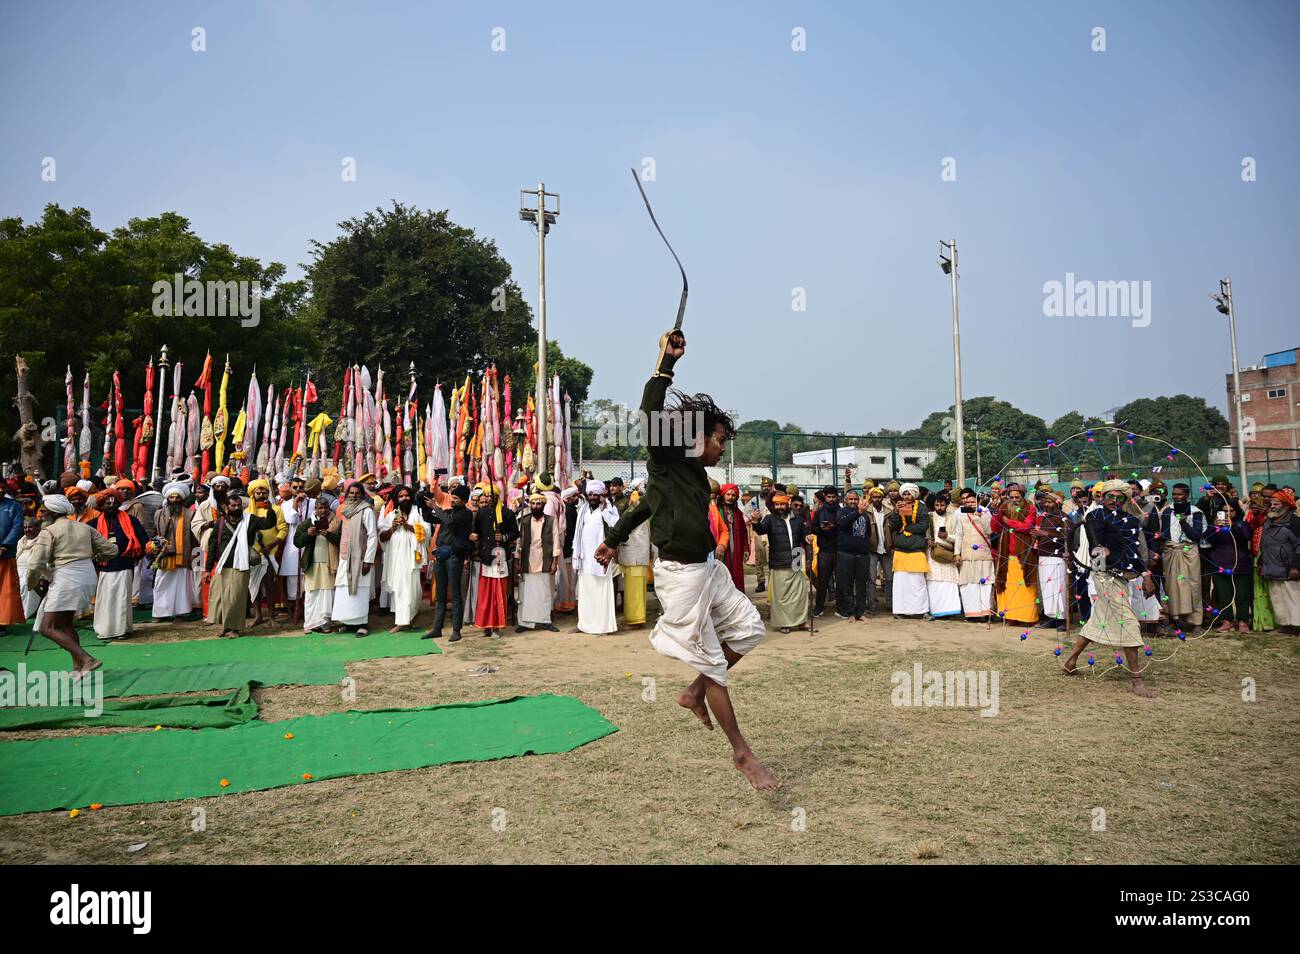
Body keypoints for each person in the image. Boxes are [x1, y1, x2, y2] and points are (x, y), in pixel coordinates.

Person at [597, 330, 777, 790]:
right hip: (681, 578)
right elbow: (650, 415)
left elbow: (644, 507)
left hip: (710, 571)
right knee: (715, 660)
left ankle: (694, 691)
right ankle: (742, 753)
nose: (722, 448)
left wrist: (615, 538)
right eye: (718, 440)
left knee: (751, 630)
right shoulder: (665, 458)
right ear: (696, 438)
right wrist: (666, 361)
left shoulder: (696, 478)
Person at [1060, 481, 1155, 697]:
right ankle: (1136, 679)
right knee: (1129, 622)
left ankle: (1070, 661)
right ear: (1102, 497)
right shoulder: (1095, 516)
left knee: (1098, 619)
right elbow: (1095, 546)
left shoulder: (1131, 520)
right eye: (1109, 497)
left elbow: (1134, 550)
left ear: (1124, 499)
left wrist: (1145, 574)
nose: (1113, 501)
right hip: (1103, 575)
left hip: (1124, 576)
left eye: (1119, 497)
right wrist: (1102, 552)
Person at [25, 495, 119, 672]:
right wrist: (97, 557)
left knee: (47, 627)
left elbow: (36, 563)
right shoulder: (84, 527)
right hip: (88, 576)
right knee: (65, 624)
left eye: (44, 510)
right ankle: (78, 666)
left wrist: (33, 583)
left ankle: (87, 659)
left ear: (53, 512)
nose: (42, 513)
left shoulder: (48, 531)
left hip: (66, 579)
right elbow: (112, 550)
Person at [206, 494, 280, 638]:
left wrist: (270, 510)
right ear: (226, 507)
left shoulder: (250, 520)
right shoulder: (220, 523)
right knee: (222, 598)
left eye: (239, 505)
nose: (237, 508)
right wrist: (208, 569)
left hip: (241, 564)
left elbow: (268, 524)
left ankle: (235, 629)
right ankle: (226, 627)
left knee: (236, 598)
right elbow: (212, 545)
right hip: (224, 564)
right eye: (233, 506)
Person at [751, 493, 813, 633]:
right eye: (777, 504)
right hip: (779, 560)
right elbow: (761, 530)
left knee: (800, 594)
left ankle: (801, 622)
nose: (779, 507)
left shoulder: (798, 518)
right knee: (781, 596)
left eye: (782, 504)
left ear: (787, 504)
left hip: (796, 558)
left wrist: (807, 537)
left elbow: (804, 536)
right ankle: (784, 623)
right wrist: (755, 522)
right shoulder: (769, 519)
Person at [91, 488, 147, 639]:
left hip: (124, 564)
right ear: (101, 505)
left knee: (122, 599)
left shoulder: (131, 521)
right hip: (104, 567)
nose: (111, 506)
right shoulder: (93, 523)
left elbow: (144, 540)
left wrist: (147, 550)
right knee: (106, 599)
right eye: (107, 503)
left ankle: (122, 630)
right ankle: (105, 629)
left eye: (114, 503)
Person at [422, 483, 473, 642]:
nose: (452, 500)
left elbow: (449, 521)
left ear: (464, 501)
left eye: (456, 498)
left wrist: (435, 507)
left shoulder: (466, 514)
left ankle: (456, 630)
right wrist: (425, 505)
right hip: (441, 555)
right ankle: (437, 628)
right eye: (452, 497)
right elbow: (429, 517)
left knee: (456, 594)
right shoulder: (448, 512)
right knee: (440, 595)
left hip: (454, 557)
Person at [378, 485, 429, 632]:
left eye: (406, 495)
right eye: (401, 496)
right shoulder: (391, 515)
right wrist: (392, 528)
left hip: (412, 559)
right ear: (396, 499)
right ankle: (401, 621)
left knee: (414, 590)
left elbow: (426, 531)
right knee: (399, 588)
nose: (404, 498)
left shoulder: (417, 512)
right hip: (396, 559)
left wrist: (408, 526)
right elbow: (382, 537)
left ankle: (410, 618)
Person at [332, 481, 379, 637]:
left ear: (362, 495)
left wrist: (368, 560)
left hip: (360, 557)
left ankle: (362, 624)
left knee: (360, 591)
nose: (353, 496)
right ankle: (349, 623)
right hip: (345, 556)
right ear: (347, 495)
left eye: (357, 493)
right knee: (344, 589)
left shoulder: (366, 510)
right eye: (351, 493)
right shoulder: (345, 510)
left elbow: (372, 536)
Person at [573, 480, 619, 635]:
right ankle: (584, 624)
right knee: (586, 591)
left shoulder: (608, 508)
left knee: (601, 592)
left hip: (601, 558)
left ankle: (602, 626)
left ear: (601, 495)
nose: (592, 497)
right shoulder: (584, 509)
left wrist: (604, 509)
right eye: (590, 494)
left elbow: (615, 523)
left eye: (595, 494)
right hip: (585, 558)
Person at [473, 486, 518, 638]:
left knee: (498, 592)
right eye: (486, 495)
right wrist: (474, 536)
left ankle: (497, 627)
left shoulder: (507, 514)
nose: (488, 498)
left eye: (491, 495)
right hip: (486, 556)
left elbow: (515, 533)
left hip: (500, 556)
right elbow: (478, 532)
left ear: (497, 496)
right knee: (486, 593)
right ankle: (486, 625)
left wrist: (504, 537)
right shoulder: (482, 513)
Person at [992, 484, 1040, 625]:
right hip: (1007, 555)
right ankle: (1011, 617)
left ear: (1022, 496)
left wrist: (1008, 521)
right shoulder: (1004, 508)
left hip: (1025, 555)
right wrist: (997, 512)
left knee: (1027, 587)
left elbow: (1027, 527)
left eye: (1017, 497)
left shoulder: (1030, 507)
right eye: (1011, 497)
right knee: (1009, 587)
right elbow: (994, 527)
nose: (1014, 500)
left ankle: (1028, 618)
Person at [516, 492, 563, 632]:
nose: (535, 506)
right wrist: (518, 559)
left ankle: (545, 621)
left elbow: (556, 543)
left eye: (538, 504)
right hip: (528, 560)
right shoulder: (524, 521)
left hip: (545, 560)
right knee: (526, 593)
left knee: (545, 593)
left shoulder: (551, 520)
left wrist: (555, 562)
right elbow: (519, 541)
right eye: (533, 503)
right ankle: (524, 623)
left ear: (543, 505)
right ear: (530, 505)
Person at [294, 493, 340, 633]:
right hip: (312, 564)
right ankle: (310, 624)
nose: (323, 510)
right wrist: (308, 534)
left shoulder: (336, 522)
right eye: (320, 508)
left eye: (325, 507)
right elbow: (297, 542)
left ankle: (325, 624)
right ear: (315, 509)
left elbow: (340, 541)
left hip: (328, 564)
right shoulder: (307, 523)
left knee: (327, 593)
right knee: (312, 594)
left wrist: (328, 535)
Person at [151, 482, 196, 622]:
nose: (174, 500)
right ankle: (160, 613)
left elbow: (194, 537)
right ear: (167, 499)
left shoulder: (190, 514)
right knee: (161, 583)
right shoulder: (159, 514)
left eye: (177, 497)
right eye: (172, 497)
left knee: (182, 586)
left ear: (182, 499)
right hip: (164, 555)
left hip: (184, 555)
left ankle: (180, 614)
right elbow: (155, 532)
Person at [1258, 488, 1300, 634]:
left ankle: (1297, 627)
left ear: (1286, 505)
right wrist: (1261, 563)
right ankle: (1285, 626)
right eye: (1272, 504)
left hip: (1289, 569)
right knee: (1277, 598)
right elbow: (1265, 544)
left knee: (1294, 597)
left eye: (1276, 504)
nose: (1272, 506)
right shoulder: (1269, 521)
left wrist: (1296, 567)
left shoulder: (1295, 523)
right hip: (1271, 567)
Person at [886, 483, 930, 618]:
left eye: (908, 494)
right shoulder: (898, 507)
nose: (906, 496)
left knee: (918, 583)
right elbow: (894, 526)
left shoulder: (922, 507)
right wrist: (896, 512)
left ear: (914, 494)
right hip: (901, 550)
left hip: (916, 550)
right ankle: (900, 611)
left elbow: (923, 525)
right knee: (901, 584)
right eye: (904, 494)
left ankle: (922, 611)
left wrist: (906, 529)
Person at [1033, 491, 1072, 630]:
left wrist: (1045, 533)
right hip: (1043, 557)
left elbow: (1068, 536)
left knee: (1058, 589)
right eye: (1045, 502)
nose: (1046, 504)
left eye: (1049, 502)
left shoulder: (1065, 518)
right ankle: (1051, 618)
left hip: (1057, 559)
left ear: (1058, 503)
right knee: (1047, 590)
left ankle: (1062, 619)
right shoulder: (1045, 517)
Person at [616, 479, 652, 629]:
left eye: (633, 501)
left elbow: (627, 532)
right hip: (634, 558)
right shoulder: (639, 518)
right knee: (632, 590)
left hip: (636, 558)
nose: (631, 504)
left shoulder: (637, 518)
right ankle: (633, 618)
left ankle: (636, 621)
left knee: (635, 591)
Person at [834, 489, 874, 621]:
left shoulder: (865, 515)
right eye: (850, 499)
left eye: (855, 499)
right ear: (845, 500)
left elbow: (868, 533)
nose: (853, 501)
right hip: (846, 554)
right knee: (847, 585)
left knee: (862, 584)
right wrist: (858, 512)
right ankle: (850, 612)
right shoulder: (841, 512)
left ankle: (860, 612)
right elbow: (841, 523)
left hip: (862, 555)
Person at [925, 493, 962, 619]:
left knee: (949, 583)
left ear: (946, 505)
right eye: (937, 505)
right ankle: (936, 610)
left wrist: (947, 537)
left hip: (948, 553)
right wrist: (928, 541)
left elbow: (959, 536)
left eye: (942, 505)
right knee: (934, 582)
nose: (939, 507)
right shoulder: (929, 517)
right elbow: (925, 534)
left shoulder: (953, 517)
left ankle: (950, 611)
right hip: (933, 554)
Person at [810, 486, 840, 615]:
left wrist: (834, 527)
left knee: (840, 580)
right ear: (825, 497)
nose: (831, 499)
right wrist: (822, 529)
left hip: (839, 550)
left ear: (837, 497)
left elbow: (845, 528)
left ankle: (841, 607)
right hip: (824, 550)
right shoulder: (820, 512)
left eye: (833, 497)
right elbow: (813, 528)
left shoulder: (841, 511)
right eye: (829, 497)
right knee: (822, 580)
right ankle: (819, 607)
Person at [0, 480, 25, 632]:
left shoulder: (14, 506)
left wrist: (4, 546)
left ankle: (2, 623)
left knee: (5, 590)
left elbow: (17, 527)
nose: (0, 490)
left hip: (5, 555)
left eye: (2, 487)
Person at [717, 483, 749, 592]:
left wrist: (746, 549)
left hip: (736, 547)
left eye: (733, 495)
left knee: (736, 573)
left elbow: (744, 533)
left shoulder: (738, 513)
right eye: (728, 494)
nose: (730, 497)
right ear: (723, 495)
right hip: (721, 547)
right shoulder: (716, 511)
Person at [864, 486, 891, 613]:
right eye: (874, 497)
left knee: (889, 578)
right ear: (871, 498)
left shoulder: (889, 512)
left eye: (879, 497)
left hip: (886, 549)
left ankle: (890, 603)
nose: (876, 499)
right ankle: (872, 606)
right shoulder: (866, 512)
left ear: (883, 497)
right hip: (871, 550)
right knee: (871, 578)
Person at [16, 517, 45, 620]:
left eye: (30, 527)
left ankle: (24, 614)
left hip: (35, 571)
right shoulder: (21, 541)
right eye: (25, 527)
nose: (27, 529)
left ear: (38, 528)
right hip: (17, 571)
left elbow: (43, 562)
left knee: (25, 583)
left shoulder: (43, 540)